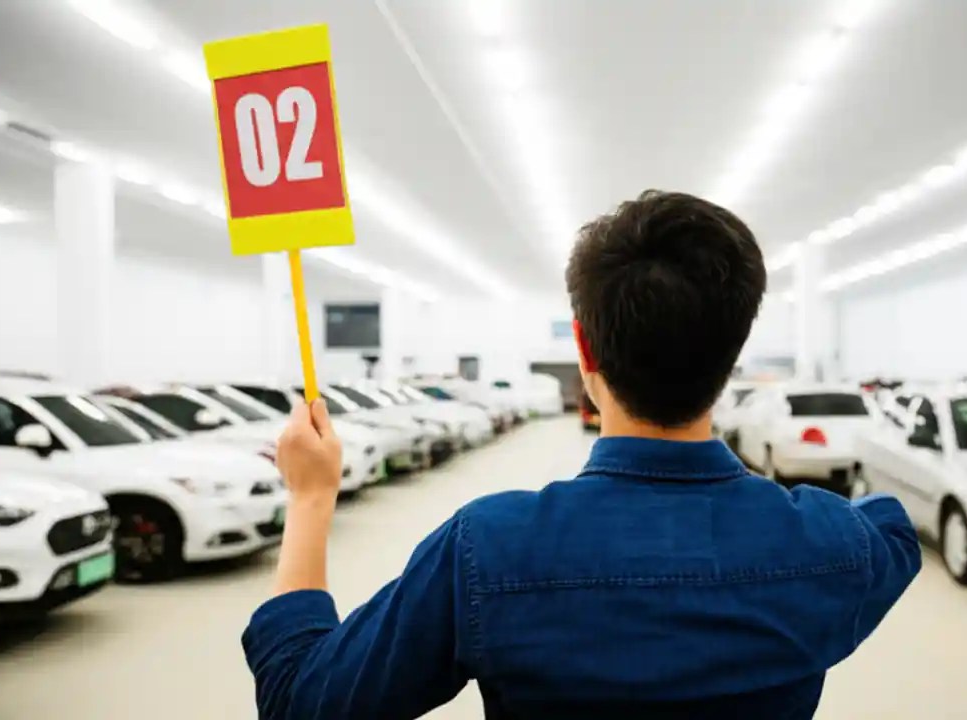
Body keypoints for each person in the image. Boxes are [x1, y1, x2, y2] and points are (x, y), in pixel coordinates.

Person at [244, 190, 921, 719]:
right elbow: (893, 527)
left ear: (585, 350)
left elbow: (303, 702)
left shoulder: (487, 549)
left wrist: (309, 499)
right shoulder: (832, 548)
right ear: (734, 350)